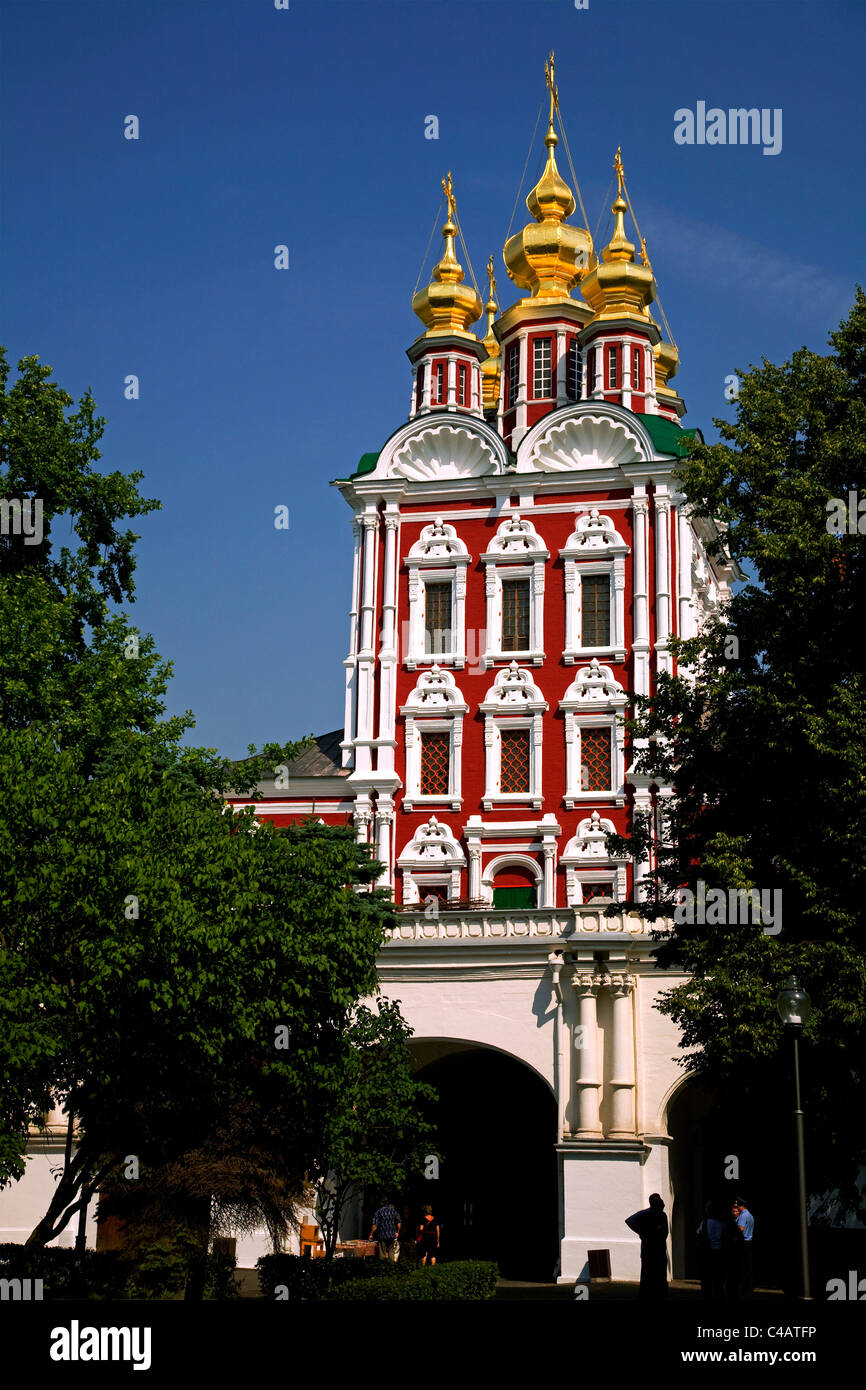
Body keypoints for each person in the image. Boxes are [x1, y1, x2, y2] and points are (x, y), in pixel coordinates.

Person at [625, 1193, 669, 1298]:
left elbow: (629, 1220)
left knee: (649, 1273)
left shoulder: (649, 1214)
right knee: (655, 1273)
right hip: (654, 1248)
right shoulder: (657, 1214)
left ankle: (649, 1293)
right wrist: (642, 1232)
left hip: (651, 1248)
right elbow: (665, 1232)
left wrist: (641, 1232)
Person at [697, 1200, 726, 1299]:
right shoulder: (721, 1223)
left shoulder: (704, 1222)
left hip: (707, 1252)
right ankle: (718, 1293)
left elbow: (699, 1233)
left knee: (707, 1276)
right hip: (718, 1251)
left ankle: (707, 1294)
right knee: (718, 1276)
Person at [732, 1196, 755, 1297]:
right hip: (749, 1241)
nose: (737, 1208)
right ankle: (749, 1285)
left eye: (738, 1206)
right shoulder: (750, 1215)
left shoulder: (743, 1216)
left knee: (741, 1265)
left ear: (741, 1206)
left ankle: (743, 1285)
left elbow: (740, 1228)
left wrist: (732, 1232)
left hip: (743, 1243)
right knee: (748, 1265)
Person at [369, 1196, 401, 1261]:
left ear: (381, 1203)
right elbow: (399, 1222)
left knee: (382, 1254)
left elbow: (375, 1225)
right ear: (388, 1202)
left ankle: (383, 1267)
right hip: (392, 1235)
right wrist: (398, 1232)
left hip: (382, 1235)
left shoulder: (379, 1212)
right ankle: (391, 1267)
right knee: (391, 1252)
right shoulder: (393, 1211)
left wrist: (371, 1234)